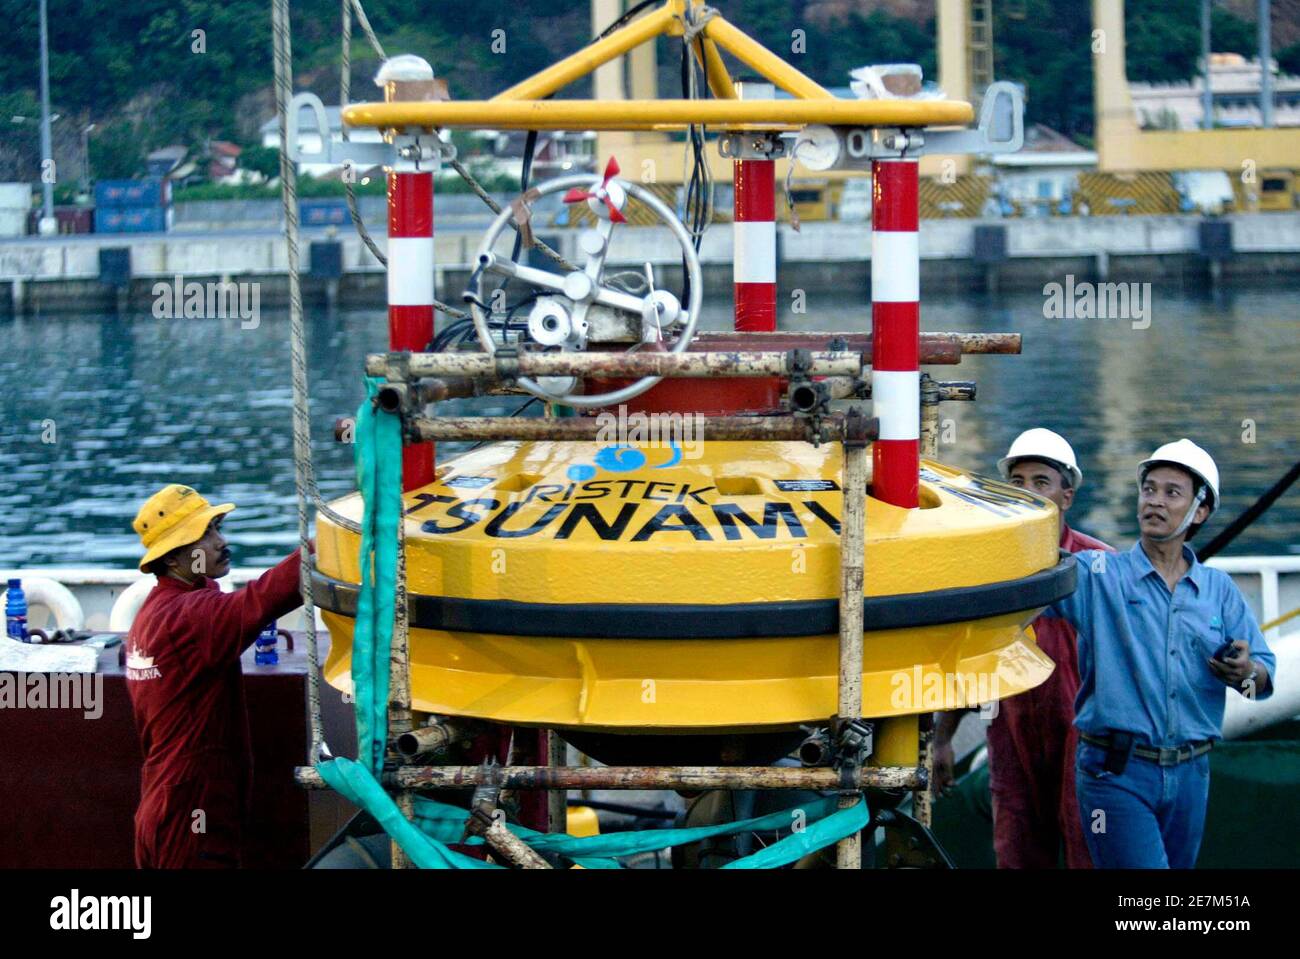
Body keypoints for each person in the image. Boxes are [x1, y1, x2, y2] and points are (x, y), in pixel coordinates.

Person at [1054, 440, 1275, 869]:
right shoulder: (1099, 575)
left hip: (1193, 775)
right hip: (1114, 775)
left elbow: (1260, 686)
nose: (1154, 501)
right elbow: (1027, 585)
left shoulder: (1219, 591)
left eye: (1172, 493)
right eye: (1148, 489)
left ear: (1200, 511)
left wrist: (1245, 671)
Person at [933, 428, 1111, 868]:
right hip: (1010, 735)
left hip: (1084, 738)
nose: (1028, 493)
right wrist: (942, 738)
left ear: (1066, 497)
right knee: (1016, 851)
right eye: (1017, 482)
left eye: (1041, 482)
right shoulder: (991, 570)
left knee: (1086, 849)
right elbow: (970, 655)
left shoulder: (1101, 565)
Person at [126, 484, 306, 868]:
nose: (220, 541)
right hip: (193, 813)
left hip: (162, 804)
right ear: (173, 559)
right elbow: (263, 599)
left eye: (218, 528)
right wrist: (325, 545)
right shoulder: (191, 617)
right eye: (205, 535)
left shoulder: (153, 614)